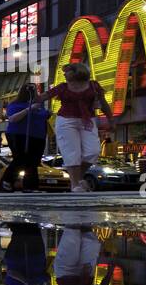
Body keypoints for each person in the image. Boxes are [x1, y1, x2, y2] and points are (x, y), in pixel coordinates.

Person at [31, 62, 114, 192]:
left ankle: (77, 178)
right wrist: (34, 92)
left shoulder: (93, 86)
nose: (64, 74)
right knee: (72, 152)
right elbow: (41, 98)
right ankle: (76, 184)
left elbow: (103, 103)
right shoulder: (63, 87)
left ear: (77, 72)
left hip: (87, 120)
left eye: (67, 71)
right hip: (66, 120)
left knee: (93, 151)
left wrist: (111, 119)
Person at [1, 83, 53, 192]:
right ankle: (7, 180)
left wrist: (47, 114)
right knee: (20, 158)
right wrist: (28, 109)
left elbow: (43, 117)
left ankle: (30, 186)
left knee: (33, 161)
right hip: (19, 135)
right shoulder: (16, 105)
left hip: (37, 136)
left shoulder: (39, 106)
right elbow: (13, 119)